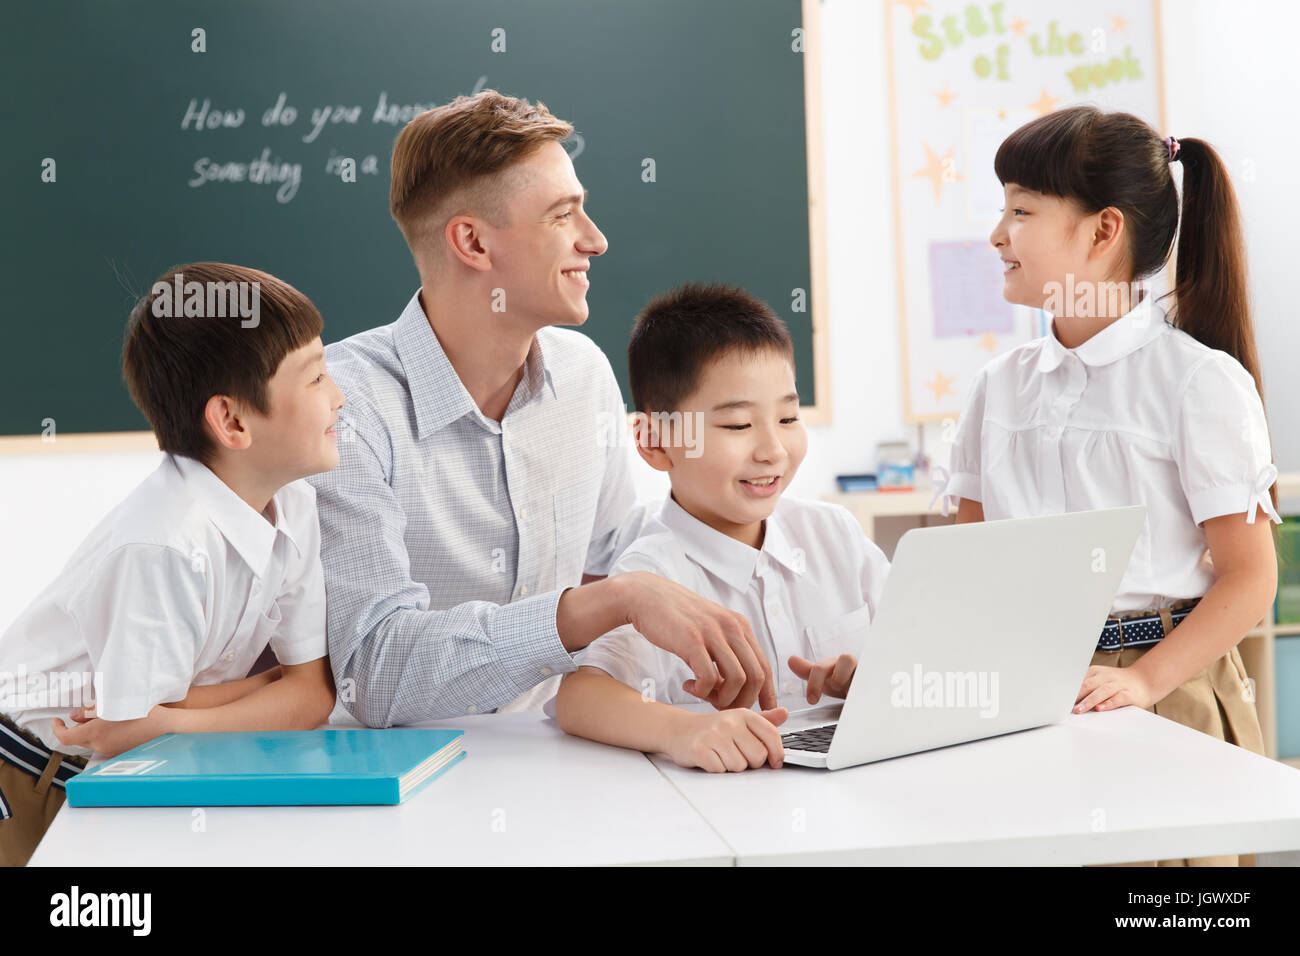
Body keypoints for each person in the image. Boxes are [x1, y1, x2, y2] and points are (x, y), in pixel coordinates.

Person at [309, 91, 779, 728]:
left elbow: (622, 558)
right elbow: (376, 672)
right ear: (472, 242)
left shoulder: (581, 374)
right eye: (564, 215)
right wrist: (601, 605)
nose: (596, 240)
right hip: (400, 782)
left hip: (559, 748)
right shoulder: (344, 405)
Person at [937, 106, 1278, 865]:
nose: (997, 235)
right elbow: (972, 570)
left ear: (1102, 232)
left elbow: (1252, 578)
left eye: (1021, 210)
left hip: (1167, 688)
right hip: (1033, 693)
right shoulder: (998, 389)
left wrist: (1145, 681)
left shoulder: (1196, 384)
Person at [0, 263, 341, 866]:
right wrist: (265, 688)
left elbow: (311, 697)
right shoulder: (164, 546)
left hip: (128, 763)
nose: (339, 396)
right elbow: (130, 744)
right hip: (34, 773)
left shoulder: (294, 500)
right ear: (232, 421)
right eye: (315, 379)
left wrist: (175, 719)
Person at [553, 283, 891, 772]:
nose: (773, 449)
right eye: (737, 426)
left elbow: (920, 644)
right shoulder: (652, 573)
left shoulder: (833, 533)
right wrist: (682, 731)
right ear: (655, 442)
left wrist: (872, 680)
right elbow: (579, 698)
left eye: (788, 416)